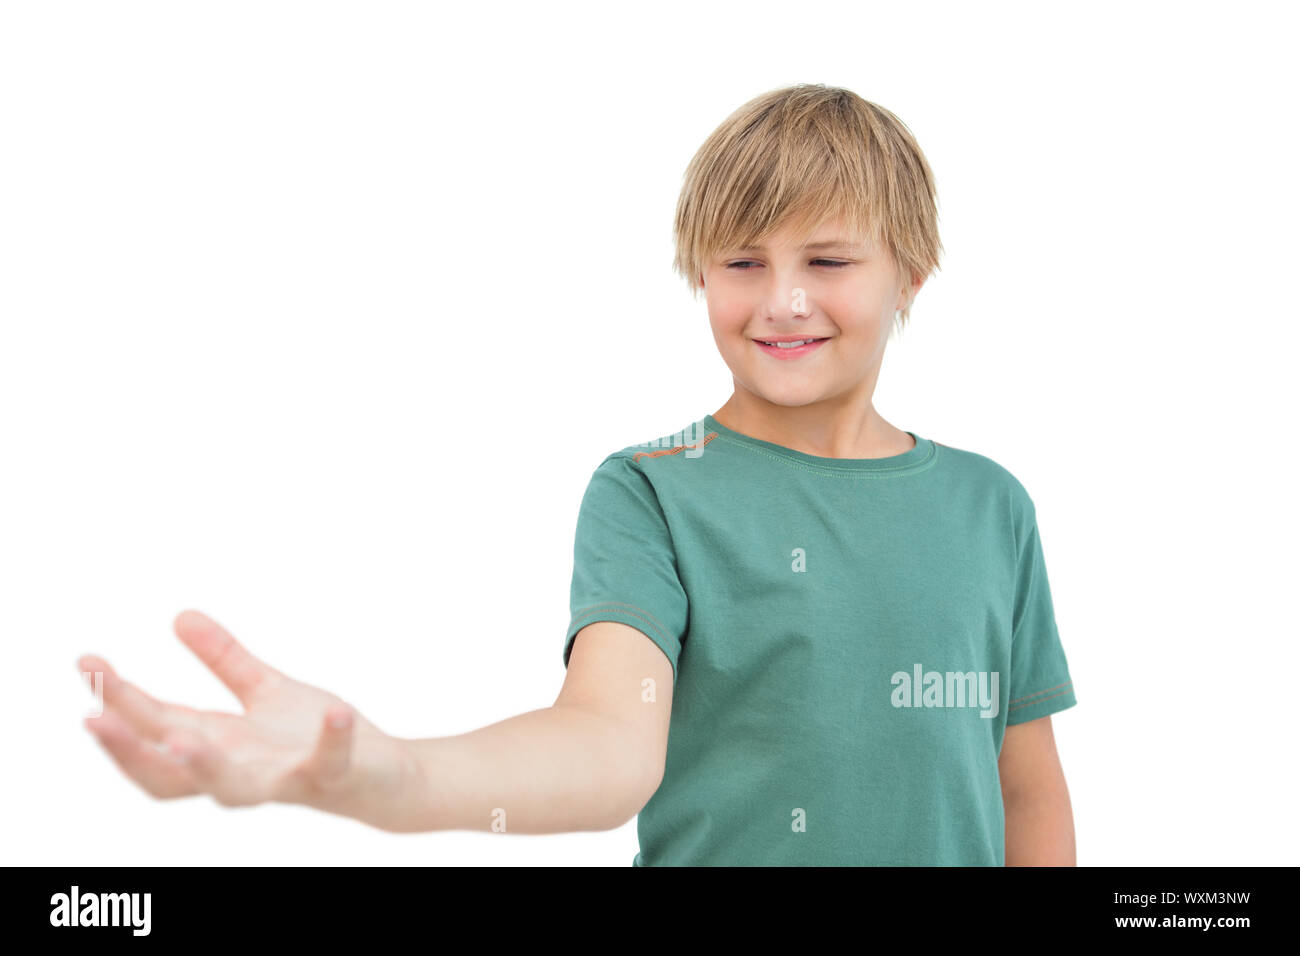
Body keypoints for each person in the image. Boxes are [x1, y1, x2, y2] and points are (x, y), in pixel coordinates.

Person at [78, 83, 1077, 865]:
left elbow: (1023, 783)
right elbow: (606, 741)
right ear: (697, 274)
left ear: (909, 273)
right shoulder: (651, 490)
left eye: (826, 260)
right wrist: (396, 773)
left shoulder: (991, 505)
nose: (781, 301)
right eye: (739, 262)